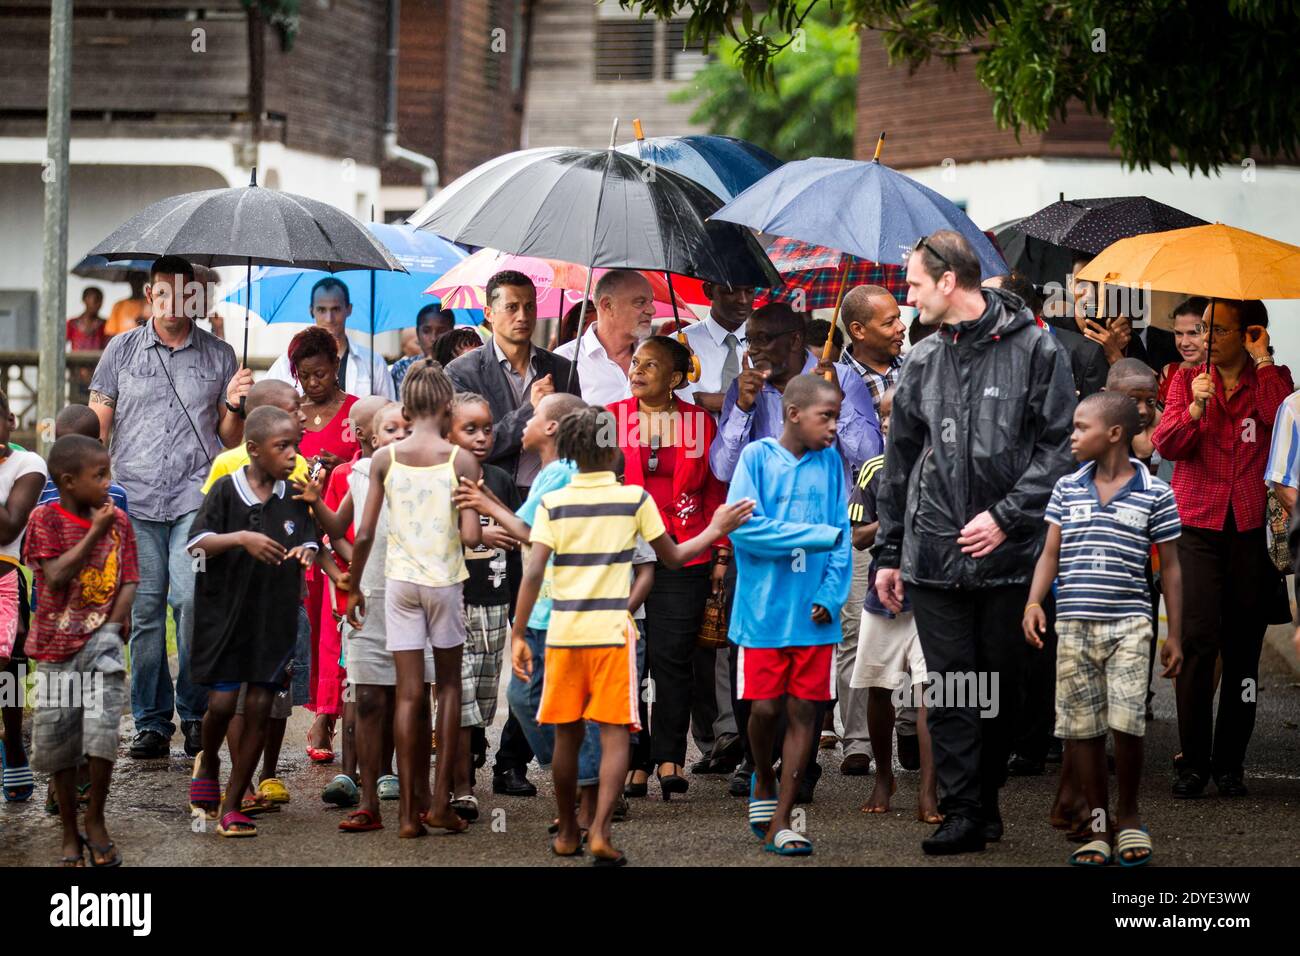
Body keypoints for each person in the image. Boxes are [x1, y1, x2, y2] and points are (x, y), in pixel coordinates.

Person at [874, 230, 1076, 855]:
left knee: (1001, 689)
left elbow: (1060, 448)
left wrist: (1007, 516)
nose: (907, 300)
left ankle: (985, 804)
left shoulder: (1039, 351)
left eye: (912, 285)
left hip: (1011, 558)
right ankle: (964, 811)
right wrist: (888, 550)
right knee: (954, 686)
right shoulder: (923, 360)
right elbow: (901, 458)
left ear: (948, 281)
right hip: (934, 554)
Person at [509, 405, 753, 865]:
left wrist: (519, 633)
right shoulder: (635, 500)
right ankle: (599, 831)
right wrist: (717, 530)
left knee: (566, 736)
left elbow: (534, 571)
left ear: (570, 453)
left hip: (563, 634)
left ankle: (567, 830)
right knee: (615, 734)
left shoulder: (552, 504)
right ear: (612, 450)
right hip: (613, 638)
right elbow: (676, 558)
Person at [89, 255, 251, 761]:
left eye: (185, 294)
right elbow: (99, 423)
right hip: (134, 496)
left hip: (193, 497)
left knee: (190, 599)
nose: (174, 304)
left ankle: (196, 713)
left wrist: (235, 403)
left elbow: (229, 439)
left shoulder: (221, 355)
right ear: (151, 296)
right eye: (164, 294)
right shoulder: (121, 350)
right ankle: (152, 722)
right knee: (145, 612)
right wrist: (98, 490)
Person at [1024, 392, 1184, 866]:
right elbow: (1049, 553)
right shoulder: (1067, 488)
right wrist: (1034, 601)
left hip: (1132, 623)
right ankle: (1098, 824)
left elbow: (1171, 568)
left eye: (1080, 427)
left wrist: (1174, 632)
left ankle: (1129, 816)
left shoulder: (1156, 492)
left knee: (1126, 721)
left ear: (1114, 434)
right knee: (1083, 728)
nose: (1071, 436)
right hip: (1073, 623)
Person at [444, 271, 580, 797]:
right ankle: (468, 747)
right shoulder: (462, 370)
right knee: (481, 634)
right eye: (511, 307)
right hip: (485, 504)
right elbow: (471, 442)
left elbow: (577, 434)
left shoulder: (560, 367)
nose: (522, 316)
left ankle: (512, 759)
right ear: (489, 314)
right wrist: (528, 410)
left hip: (545, 507)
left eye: (528, 306)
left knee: (535, 633)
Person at [453, 392, 613, 835]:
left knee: (546, 702)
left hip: (559, 611)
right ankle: (579, 784)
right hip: (549, 609)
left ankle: (585, 786)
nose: (521, 421)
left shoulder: (561, 473)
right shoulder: (551, 472)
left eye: (534, 414)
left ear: (551, 429)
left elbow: (526, 532)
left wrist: (484, 506)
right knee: (532, 700)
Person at [1152, 298, 1293, 798]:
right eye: (1203, 328)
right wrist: (1193, 408)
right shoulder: (1183, 381)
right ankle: (1192, 760)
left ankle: (1230, 762)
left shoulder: (1272, 379)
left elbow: (1284, 423)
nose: (1206, 339)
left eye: (1219, 330)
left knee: (1243, 650)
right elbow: (1165, 445)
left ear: (1248, 332)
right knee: (1196, 644)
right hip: (1196, 526)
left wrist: (1264, 361)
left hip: (1252, 528)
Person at [347, 360, 483, 838]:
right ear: (448, 407)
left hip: (397, 585)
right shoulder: (461, 460)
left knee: (405, 694)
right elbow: (469, 538)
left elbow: (364, 534)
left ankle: (406, 815)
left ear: (405, 408)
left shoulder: (384, 459)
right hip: (444, 584)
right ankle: (440, 804)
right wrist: (486, 521)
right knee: (445, 690)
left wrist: (351, 587)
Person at [724, 374, 851, 856]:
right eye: (827, 416)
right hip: (761, 612)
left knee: (805, 713)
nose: (835, 426)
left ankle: (782, 817)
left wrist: (831, 594)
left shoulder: (832, 463)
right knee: (765, 709)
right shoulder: (756, 458)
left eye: (838, 416)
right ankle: (761, 772)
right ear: (794, 414)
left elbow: (842, 535)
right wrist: (814, 535)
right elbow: (744, 531)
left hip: (816, 616)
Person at [606, 336, 730, 799]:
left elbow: (716, 491)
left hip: (686, 551)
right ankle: (634, 760)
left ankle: (669, 757)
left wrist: (720, 552)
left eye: (650, 365)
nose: (636, 370)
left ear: (676, 378)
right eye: (635, 361)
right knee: (629, 662)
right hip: (624, 553)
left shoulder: (700, 421)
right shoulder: (611, 418)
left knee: (674, 661)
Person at [185, 406, 318, 838]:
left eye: (295, 445)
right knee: (222, 705)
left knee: (260, 706)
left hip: (273, 620)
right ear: (254, 449)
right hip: (226, 618)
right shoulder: (226, 490)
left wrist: (307, 553)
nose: (293, 454)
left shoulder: (294, 494)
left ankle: (232, 801)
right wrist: (241, 538)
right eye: (283, 446)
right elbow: (197, 543)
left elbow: (311, 540)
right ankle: (209, 758)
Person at [298, 401, 427, 831]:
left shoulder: (432, 475)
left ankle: (415, 801)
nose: (401, 435)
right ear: (370, 438)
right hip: (369, 600)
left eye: (407, 428)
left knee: (413, 700)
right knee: (368, 698)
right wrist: (316, 503)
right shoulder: (357, 475)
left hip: (417, 602)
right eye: (391, 428)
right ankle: (367, 799)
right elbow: (338, 529)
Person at [24, 434, 139, 865]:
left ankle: (96, 820)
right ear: (69, 482)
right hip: (56, 649)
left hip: (104, 645)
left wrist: (111, 629)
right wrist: (94, 534)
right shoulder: (44, 520)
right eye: (100, 476)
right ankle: (69, 830)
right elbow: (53, 577)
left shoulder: (119, 522)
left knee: (102, 735)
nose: (109, 483)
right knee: (60, 743)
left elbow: (128, 579)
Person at [847, 388, 939, 821]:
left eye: (896, 416)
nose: (887, 424)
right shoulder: (873, 470)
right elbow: (857, 536)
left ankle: (928, 790)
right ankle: (884, 777)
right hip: (881, 598)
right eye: (882, 417)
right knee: (879, 687)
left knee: (929, 693)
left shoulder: (943, 465)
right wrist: (894, 520)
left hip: (931, 593)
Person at [834, 284, 907, 775]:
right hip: (855, 519)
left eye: (900, 318)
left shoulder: (921, 366)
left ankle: (905, 726)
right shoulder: (829, 376)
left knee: (911, 624)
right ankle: (857, 738)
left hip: (914, 516)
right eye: (889, 322)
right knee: (856, 629)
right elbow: (855, 450)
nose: (901, 328)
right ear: (857, 331)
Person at [446, 392, 523, 820]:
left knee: (485, 700)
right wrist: (475, 535)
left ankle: (472, 751)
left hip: (495, 602)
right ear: (447, 432)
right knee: (461, 698)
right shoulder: (441, 478)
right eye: (468, 429)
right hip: (456, 602)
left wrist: (517, 610)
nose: (481, 437)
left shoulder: (500, 479)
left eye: (487, 428)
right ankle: (462, 786)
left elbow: (516, 553)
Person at [0, 394, 48, 803]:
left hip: (5, 572)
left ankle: (14, 744)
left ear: (10, 419)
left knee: (11, 668)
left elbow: (8, 527)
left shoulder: (28, 465)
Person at [265, 277, 395, 400]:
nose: (329, 319)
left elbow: (389, 410)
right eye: (322, 310)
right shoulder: (288, 362)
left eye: (336, 309)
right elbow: (266, 404)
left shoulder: (373, 362)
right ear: (311, 310)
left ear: (349, 309)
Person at [556, 270, 655, 406]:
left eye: (650, 301)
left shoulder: (660, 357)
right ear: (607, 305)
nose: (652, 310)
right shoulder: (565, 359)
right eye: (640, 302)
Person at [676, 282, 754, 417]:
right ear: (708, 291)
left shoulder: (768, 346)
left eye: (749, 291)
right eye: (731, 291)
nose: (743, 300)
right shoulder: (676, 345)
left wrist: (719, 400)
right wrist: (690, 399)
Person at [390, 304, 455, 394]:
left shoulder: (459, 368)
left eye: (441, 331)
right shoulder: (402, 368)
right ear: (417, 333)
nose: (433, 338)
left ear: (452, 332)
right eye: (426, 331)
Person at [1158, 297, 1209, 405]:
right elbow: (1159, 420)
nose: (1184, 343)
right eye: (1179, 333)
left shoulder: (1228, 374)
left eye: (1193, 333)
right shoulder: (1169, 372)